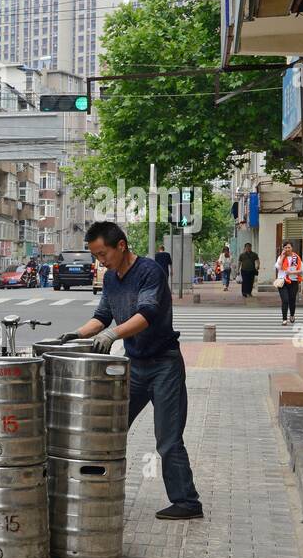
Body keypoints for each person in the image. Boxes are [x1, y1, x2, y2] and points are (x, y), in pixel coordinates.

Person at [58, 221, 203, 521]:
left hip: (165, 364)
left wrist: (113, 335)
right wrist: (76, 335)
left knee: (168, 437)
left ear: (120, 246)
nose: (100, 261)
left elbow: (147, 314)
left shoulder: (150, 272)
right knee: (111, 427)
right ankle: (98, 489)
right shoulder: (111, 278)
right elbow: (102, 316)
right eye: (96, 256)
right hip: (134, 366)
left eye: (103, 254)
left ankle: (187, 501)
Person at [275, 242, 303, 326]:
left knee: (292, 300)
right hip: (282, 281)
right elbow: (279, 266)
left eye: (289, 247)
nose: (287, 249)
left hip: (293, 281)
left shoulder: (296, 258)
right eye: (285, 248)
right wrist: (283, 256)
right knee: (285, 300)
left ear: (292, 248)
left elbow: (301, 271)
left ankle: (292, 314)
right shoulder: (280, 257)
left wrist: (291, 272)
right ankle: (284, 319)